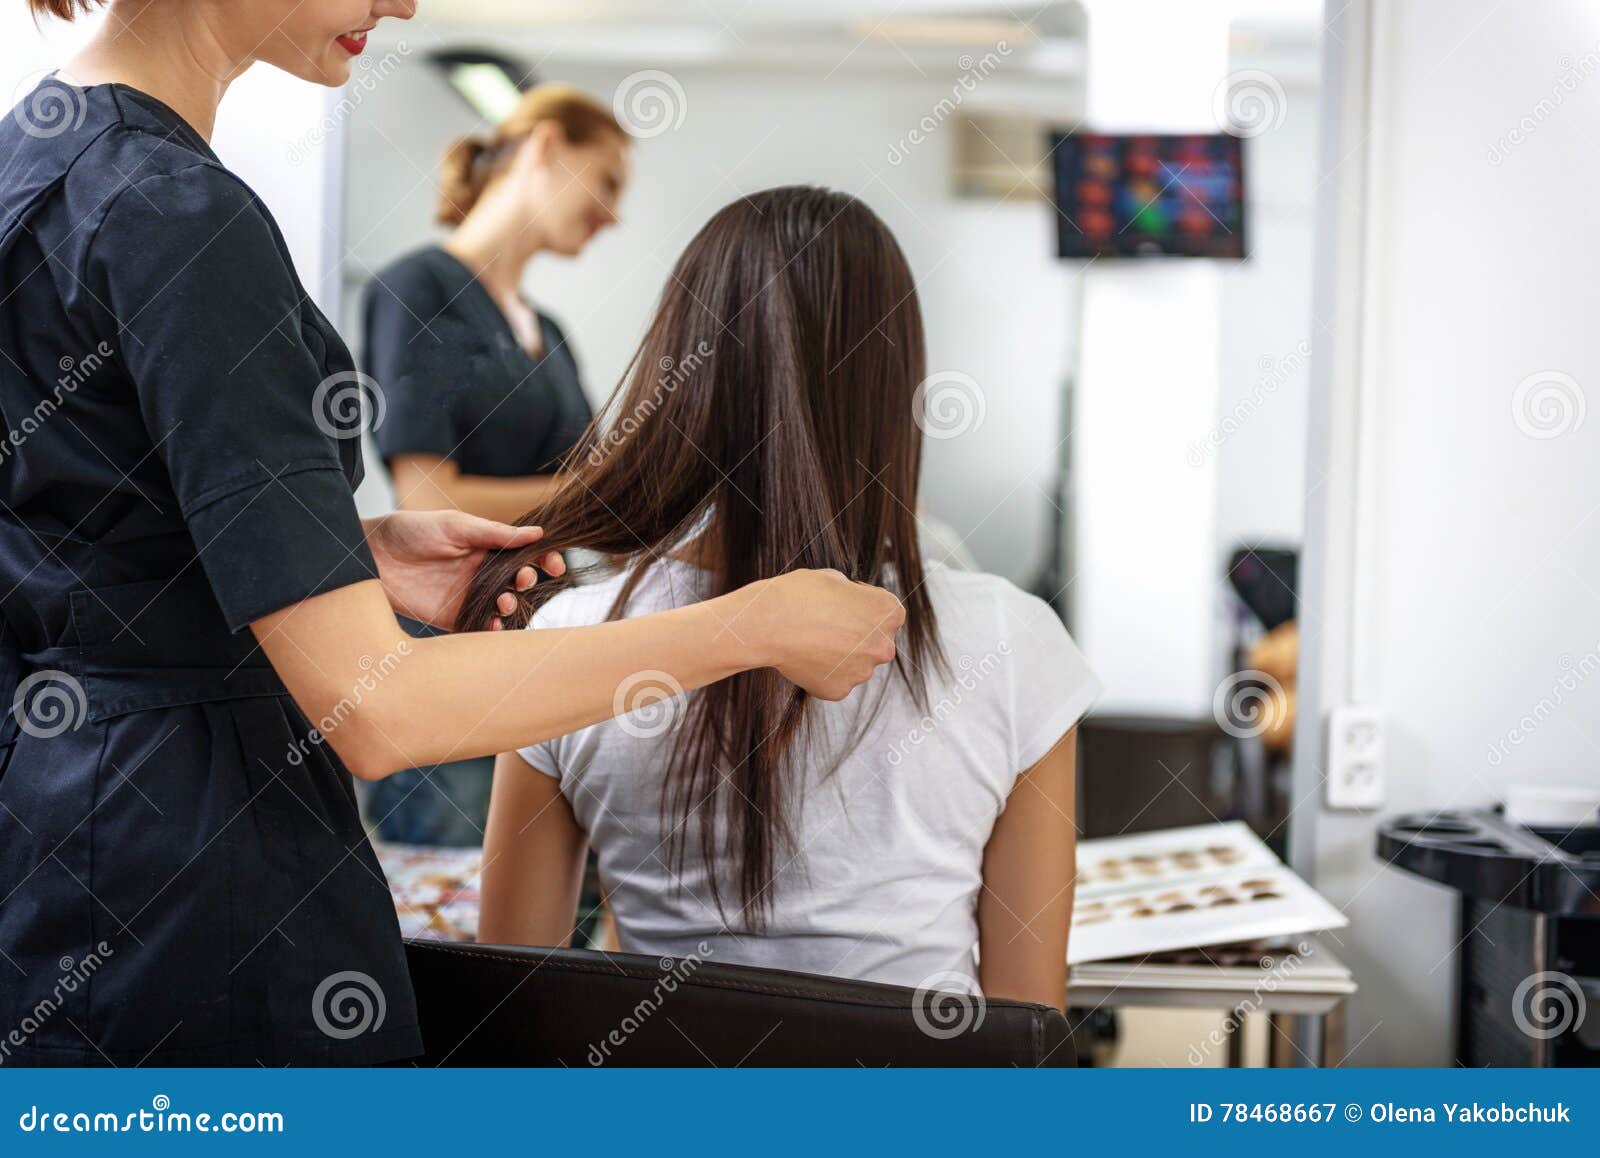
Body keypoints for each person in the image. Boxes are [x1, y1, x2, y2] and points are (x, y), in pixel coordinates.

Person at [0, 1, 903, 1067]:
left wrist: (339, 550)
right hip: (201, 892)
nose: (403, 5)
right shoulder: (179, 213)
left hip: (60, 847)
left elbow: (71, 533)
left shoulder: (38, 157)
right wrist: (751, 625)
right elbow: (376, 712)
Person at [472, 188, 1100, 1008]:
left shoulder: (572, 639)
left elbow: (516, 1010)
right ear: (893, 385)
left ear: (683, 372)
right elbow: (1026, 1033)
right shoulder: (1013, 645)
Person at [360, 85, 627, 846]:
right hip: (456, 644)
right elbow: (428, 493)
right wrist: (595, 491)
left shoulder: (550, 329)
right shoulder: (419, 289)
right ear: (545, 146)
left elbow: (606, 479)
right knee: (459, 898)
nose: (612, 212)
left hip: (552, 645)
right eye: (606, 181)